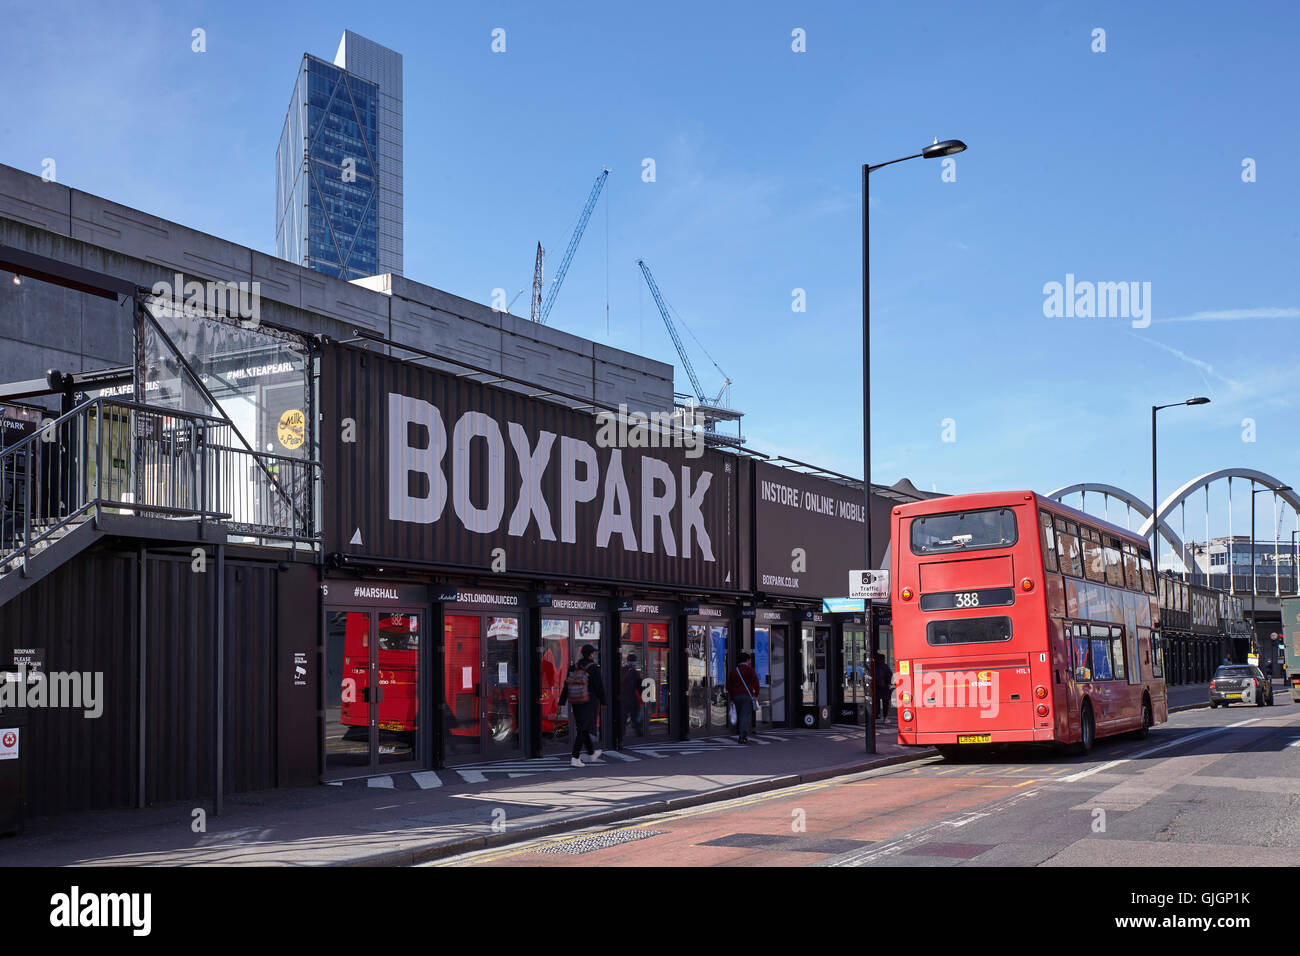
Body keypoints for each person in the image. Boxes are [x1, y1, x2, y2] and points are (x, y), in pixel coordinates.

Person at [559, 644, 606, 767]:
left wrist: (561, 701)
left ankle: (591, 753)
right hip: (588, 702)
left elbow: (566, 685)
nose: (594, 654)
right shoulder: (594, 668)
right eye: (593, 653)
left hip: (575, 701)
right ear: (591, 654)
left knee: (582, 728)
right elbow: (599, 687)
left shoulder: (573, 667)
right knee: (583, 729)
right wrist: (604, 701)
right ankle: (575, 757)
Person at [727, 652, 761, 744]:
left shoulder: (734, 671)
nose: (750, 661)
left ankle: (739, 732)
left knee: (739, 715)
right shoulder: (750, 670)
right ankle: (742, 736)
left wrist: (731, 698)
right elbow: (756, 683)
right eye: (749, 660)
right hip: (747, 696)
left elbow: (729, 685)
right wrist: (756, 695)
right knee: (744, 716)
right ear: (747, 660)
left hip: (736, 696)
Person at [620, 652, 645, 740]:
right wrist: (643, 697)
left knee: (623, 718)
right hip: (633, 700)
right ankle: (639, 734)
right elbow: (639, 687)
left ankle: (621, 735)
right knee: (635, 717)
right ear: (634, 662)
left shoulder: (622, 670)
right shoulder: (635, 672)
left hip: (623, 699)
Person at [874, 653, 894, 721]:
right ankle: (885, 716)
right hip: (884, 687)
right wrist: (889, 683)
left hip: (876, 687)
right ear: (882, 659)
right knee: (885, 702)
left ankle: (876, 715)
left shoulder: (873, 666)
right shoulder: (885, 666)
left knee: (876, 702)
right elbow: (890, 675)